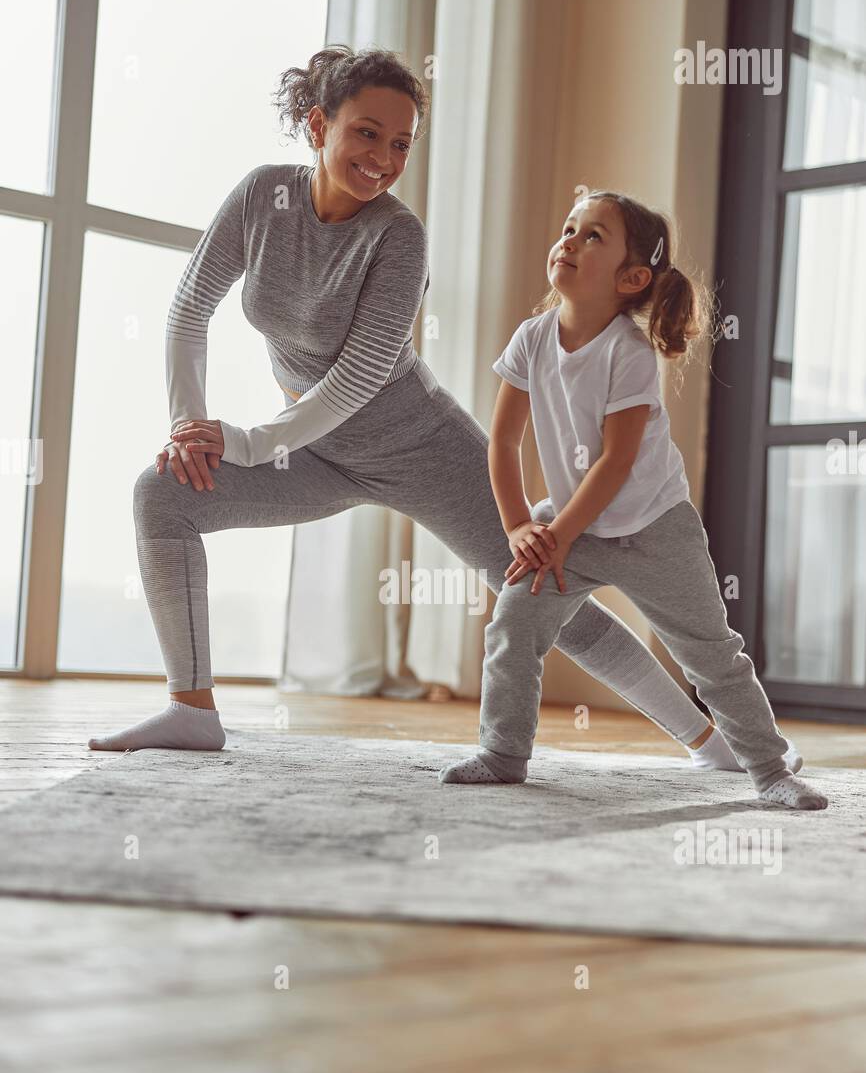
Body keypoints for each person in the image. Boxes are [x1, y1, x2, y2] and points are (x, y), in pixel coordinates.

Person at [87, 45, 794, 779]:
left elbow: (359, 378)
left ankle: (707, 742)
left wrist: (242, 441)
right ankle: (193, 709)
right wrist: (188, 428)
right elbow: (189, 309)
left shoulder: (399, 236)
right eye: (367, 133)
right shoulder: (262, 197)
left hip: (421, 447)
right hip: (310, 450)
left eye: (401, 144)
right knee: (161, 494)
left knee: (544, 587)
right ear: (318, 125)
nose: (383, 159)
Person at [438, 189, 826, 810]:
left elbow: (616, 463)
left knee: (712, 656)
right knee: (513, 624)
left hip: (654, 529)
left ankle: (771, 771)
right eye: (569, 228)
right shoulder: (532, 338)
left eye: (593, 235)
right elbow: (504, 441)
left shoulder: (629, 351)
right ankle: (503, 754)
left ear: (632, 278)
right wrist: (519, 528)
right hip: (571, 526)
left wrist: (557, 536)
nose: (569, 240)